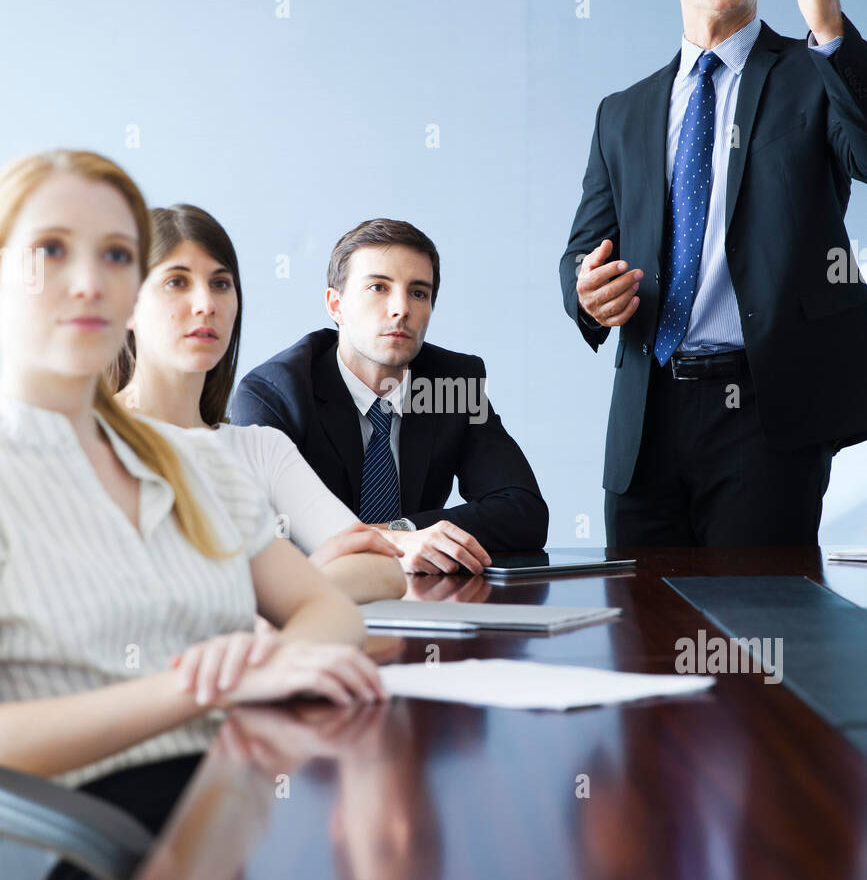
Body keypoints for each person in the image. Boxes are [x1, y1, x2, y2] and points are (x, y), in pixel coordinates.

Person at [0, 150, 388, 792]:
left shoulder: (198, 458)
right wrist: (206, 688)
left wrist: (274, 662)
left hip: (247, 790)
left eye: (117, 255)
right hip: (108, 845)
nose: (91, 282)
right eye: (51, 249)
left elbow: (329, 611)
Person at [560, 0, 867, 546]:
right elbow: (584, 248)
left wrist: (830, 26)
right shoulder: (623, 112)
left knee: (755, 638)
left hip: (768, 412)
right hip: (647, 415)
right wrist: (586, 292)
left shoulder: (812, 71)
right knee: (642, 638)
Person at [108, 203, 405, 604]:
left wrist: (273, 593)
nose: (206, 304)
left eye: (220, 284)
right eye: (177, 282)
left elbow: (383, 570)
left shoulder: (262, 449)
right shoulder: (82, 438)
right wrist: (281, 591)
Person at [232, 218, 549, 575]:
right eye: (378, 288)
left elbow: (523, 513)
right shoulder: (274, 392)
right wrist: (389, 545)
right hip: (311, 604)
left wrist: (401, 531)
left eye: (418, 293)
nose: (401, 309)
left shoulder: (452, 382)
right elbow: (258, 538)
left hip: (423, 603)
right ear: (335, 305)